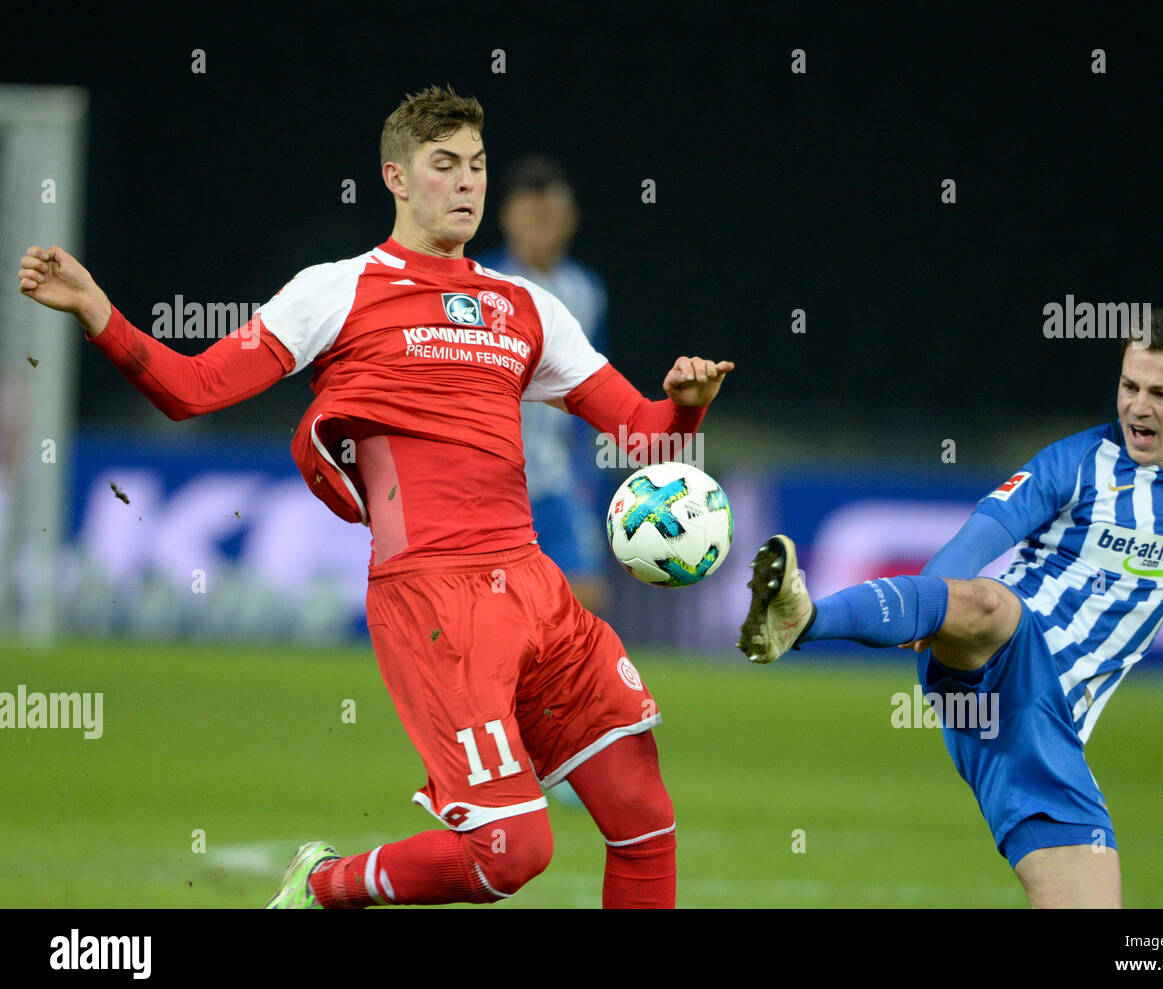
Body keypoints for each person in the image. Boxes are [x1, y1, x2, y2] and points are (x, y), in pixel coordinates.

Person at [18, 85, 733, 909]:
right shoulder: (337, 290)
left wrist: (686, 401)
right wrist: (99, 311)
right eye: (443, 166)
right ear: (395, 177)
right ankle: (324, 884)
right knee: (510, 852)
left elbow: (643, 437)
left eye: (476, 165)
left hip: (534, 587)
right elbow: (192, 389)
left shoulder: (528, 306)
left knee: (644, 814)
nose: (466, 183)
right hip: (436, 597)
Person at [738, 309, 1163, 908]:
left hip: (1046, 730)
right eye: (1129, 386)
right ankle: (803, 618)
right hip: (1000, 656)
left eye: (1161, 393)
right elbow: (981, 537)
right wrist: (933, 604)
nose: (1138, 406)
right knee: (988, 601)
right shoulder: (1075, 462)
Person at [476, 156, 611, 614]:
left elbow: (594, 387)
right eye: (530, 214)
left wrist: (589, 473)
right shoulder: (478, 285)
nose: (541, 226)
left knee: (585, 603)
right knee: (494, 610)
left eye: (550, 215)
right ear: (506, 218)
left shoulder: (586, 291)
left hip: (555, 481)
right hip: (489, 481)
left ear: (570, 220)